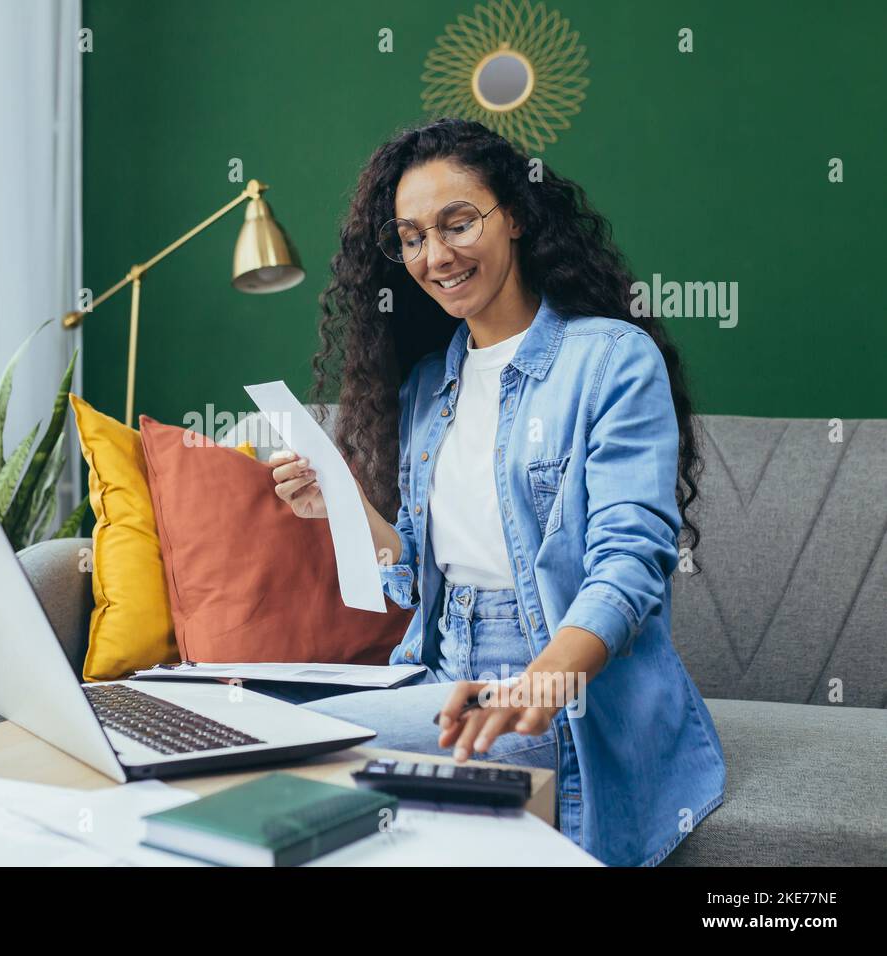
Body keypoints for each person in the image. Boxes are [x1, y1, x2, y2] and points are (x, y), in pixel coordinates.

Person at [266, 117, 725, 867]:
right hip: (443, 672)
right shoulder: (428, 385)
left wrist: (538, 687)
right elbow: (420, 577)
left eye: (458, 223)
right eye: (412, 236)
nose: (435, 255)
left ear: (514, 214)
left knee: (282, 748)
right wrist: (344, 503)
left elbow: (631, 565)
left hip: (561, 685)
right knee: (238, 713)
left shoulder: (610, 362)